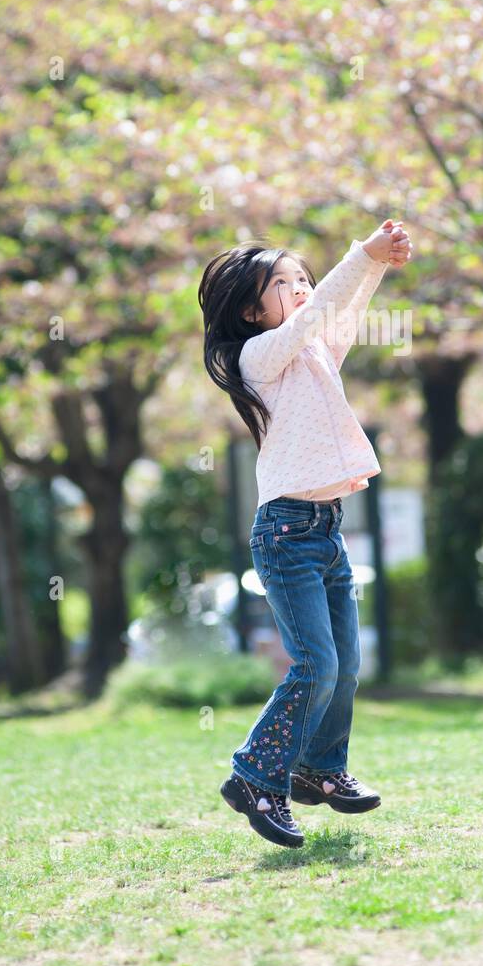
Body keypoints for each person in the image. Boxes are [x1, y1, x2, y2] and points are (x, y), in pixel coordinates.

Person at [198, 218, 413, 846]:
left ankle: (319, 770)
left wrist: (375, 266)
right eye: (282, 283)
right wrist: (362, 252)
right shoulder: (259, 358)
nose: (299, 288)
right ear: (251, 311)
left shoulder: (313, 355)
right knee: (316, 664)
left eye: (302, 279)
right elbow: (316, 314)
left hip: (326, 530)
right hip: (286, 534)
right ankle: (254, 777)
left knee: (345, 666)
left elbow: (339, 313)